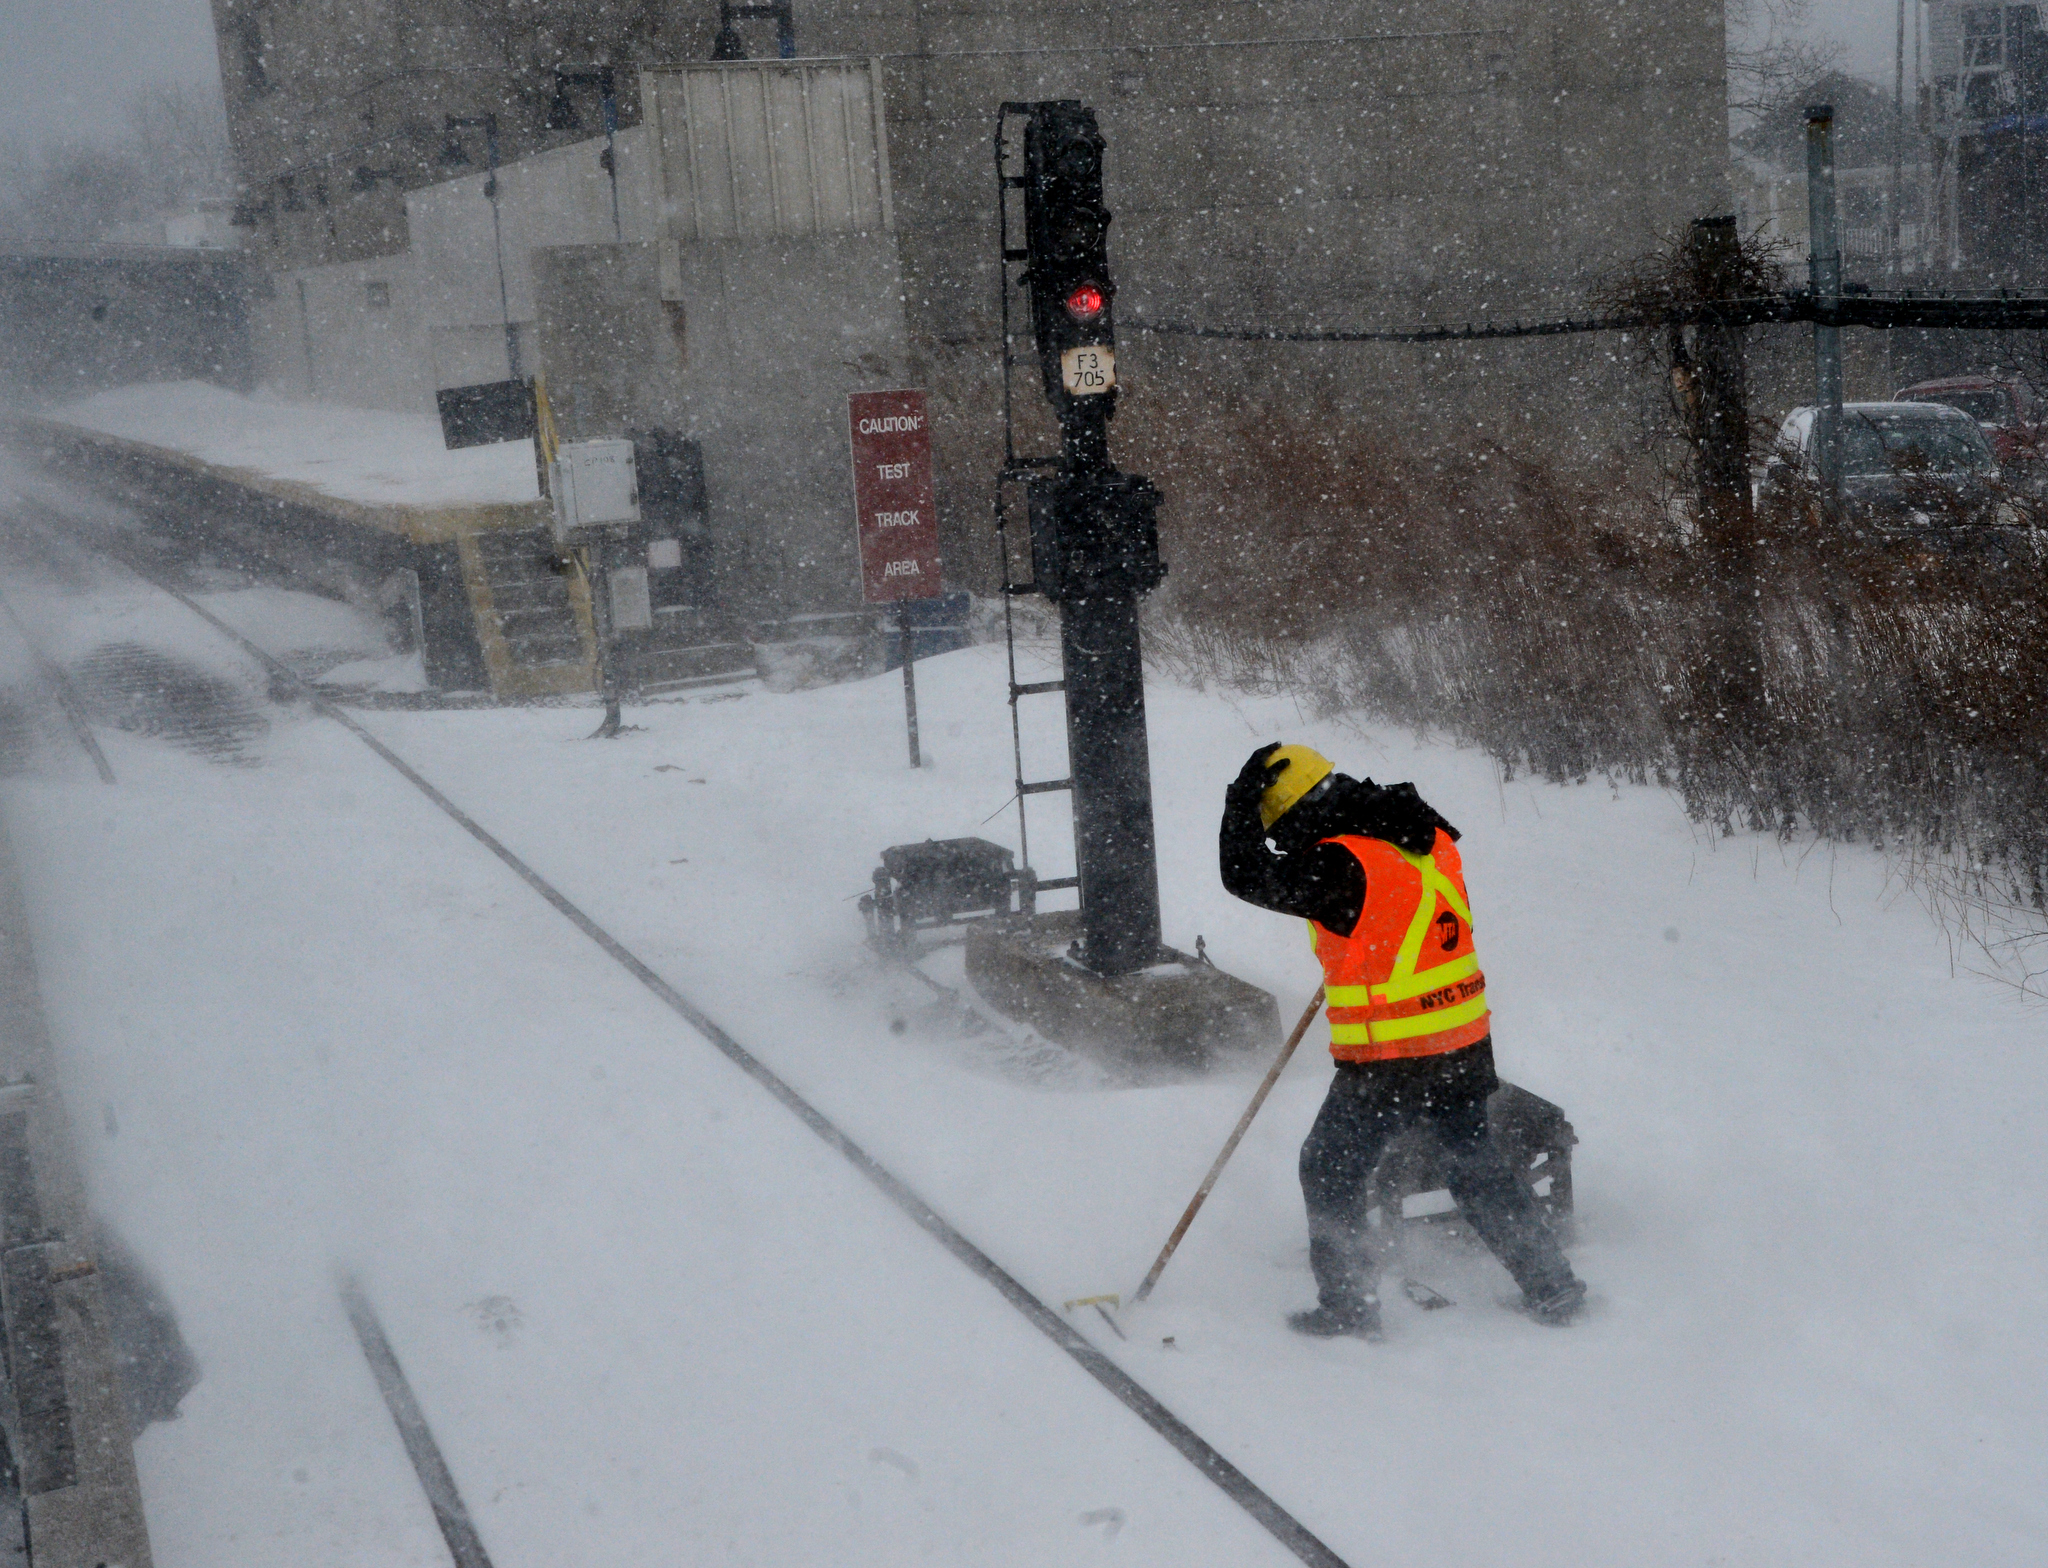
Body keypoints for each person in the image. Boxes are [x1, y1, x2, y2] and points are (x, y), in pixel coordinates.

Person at [1220, 742, 1587, 1338]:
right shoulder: (1422, 835)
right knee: (1475, 1169)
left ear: (1294, 817)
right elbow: (1398, 915)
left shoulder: (1340, 866)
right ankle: (1554, 1288)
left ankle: (1348, 1309)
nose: (1285, 847)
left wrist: (1239, 802)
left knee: (1330, 1167)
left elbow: (1243, 876)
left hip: (1392, 1060)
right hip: (1461, 1042)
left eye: (1280, 831)